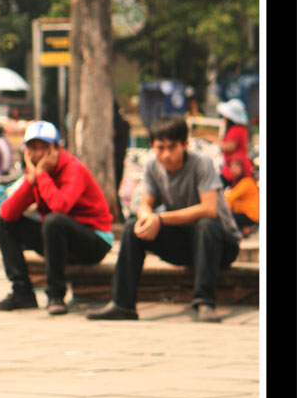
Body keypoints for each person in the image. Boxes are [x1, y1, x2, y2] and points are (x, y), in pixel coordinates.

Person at [87, 116, 243, 323]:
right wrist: (148, 219)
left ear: (185, 144)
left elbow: (209, 209)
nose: (166, 154)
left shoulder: (201, 163)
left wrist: (159, 219)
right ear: (152, 146)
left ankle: (205, 303)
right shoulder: (153, 166)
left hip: (221, 245)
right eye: (160, 148)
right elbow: (145, 205)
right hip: (188, 245)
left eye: (172, 147)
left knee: (206, 225)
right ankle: (122, 304)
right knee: (133, 227)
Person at [0, 120, 114, 315]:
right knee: (2, 223)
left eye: (44, 148)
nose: (38, 154)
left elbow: (60, 206)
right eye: (32, 148)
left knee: (54, 220)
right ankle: (22, 293)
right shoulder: (37, 174)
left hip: (94, 241)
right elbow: (7, 214)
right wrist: (31, 180)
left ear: (57, 148)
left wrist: (41, 175)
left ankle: (56, 295)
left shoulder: (73, 169)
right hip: (59, 240)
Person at [216, 99, 253, 188]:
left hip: (235, 169)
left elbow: (230, 147)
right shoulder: (241, 129)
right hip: (238, 168)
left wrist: (212, 139)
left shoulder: (236, 129)